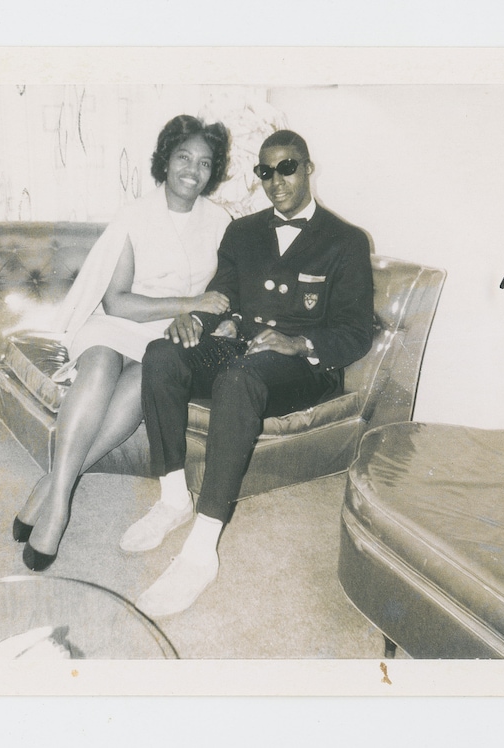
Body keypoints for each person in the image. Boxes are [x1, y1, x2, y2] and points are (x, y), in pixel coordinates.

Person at [122, 129, 375, 617]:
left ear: (307, 168)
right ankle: (173, 497)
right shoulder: (243, 231)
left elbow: (355, 332)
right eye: (265, 171)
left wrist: (298, 342)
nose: (276, 180)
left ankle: (202, 545)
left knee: (237, 379)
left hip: (304, 367)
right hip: (241, 350)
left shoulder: (345, 241)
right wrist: (196, 320)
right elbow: (223, 295)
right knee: (161, 354)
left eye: (287, 168)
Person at [14, 115, 233, 572]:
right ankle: (59, 507)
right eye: (183, 157)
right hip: (118, 325)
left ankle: (55, 484)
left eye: (205, 162)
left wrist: (195, 315)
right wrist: (191, 301)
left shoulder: (220, 221)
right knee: (97, 368)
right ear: (165, 161)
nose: (193, 170)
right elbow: (117, 303)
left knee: (139, 388)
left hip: (167, 337)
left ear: (214, 172)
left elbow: (225, 292)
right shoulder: (135, 215)